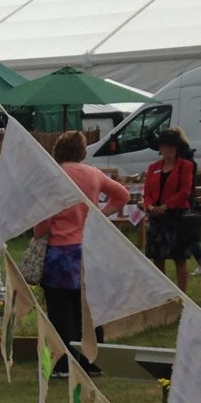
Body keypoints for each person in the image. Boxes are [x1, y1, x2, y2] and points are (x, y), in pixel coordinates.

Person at [34, 130, 130, 377]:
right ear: (83, 151)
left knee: (60, 307)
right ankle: (93, 361)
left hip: (59, 250)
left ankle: (66, 364)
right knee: (88, 307)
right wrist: (100, 215)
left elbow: (45, 216)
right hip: (88, 246)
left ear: (58, 150)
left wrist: (38, 234)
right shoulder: (94, 173)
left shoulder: (53, 176)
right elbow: (123, 195)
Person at [141, 128, 201, 290]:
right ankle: (163, 291)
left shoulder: (186, 166)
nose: (168, 150)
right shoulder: (153, 167)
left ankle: (182, 294)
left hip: (177, 215)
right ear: (159, 148)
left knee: (179, 258)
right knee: (157, 257)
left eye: (171, 146)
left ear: (177, 148)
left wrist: (165, 207)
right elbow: (147, 192)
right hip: (156, 216)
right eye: (164, 146)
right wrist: (151, 206)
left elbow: (185, 191)